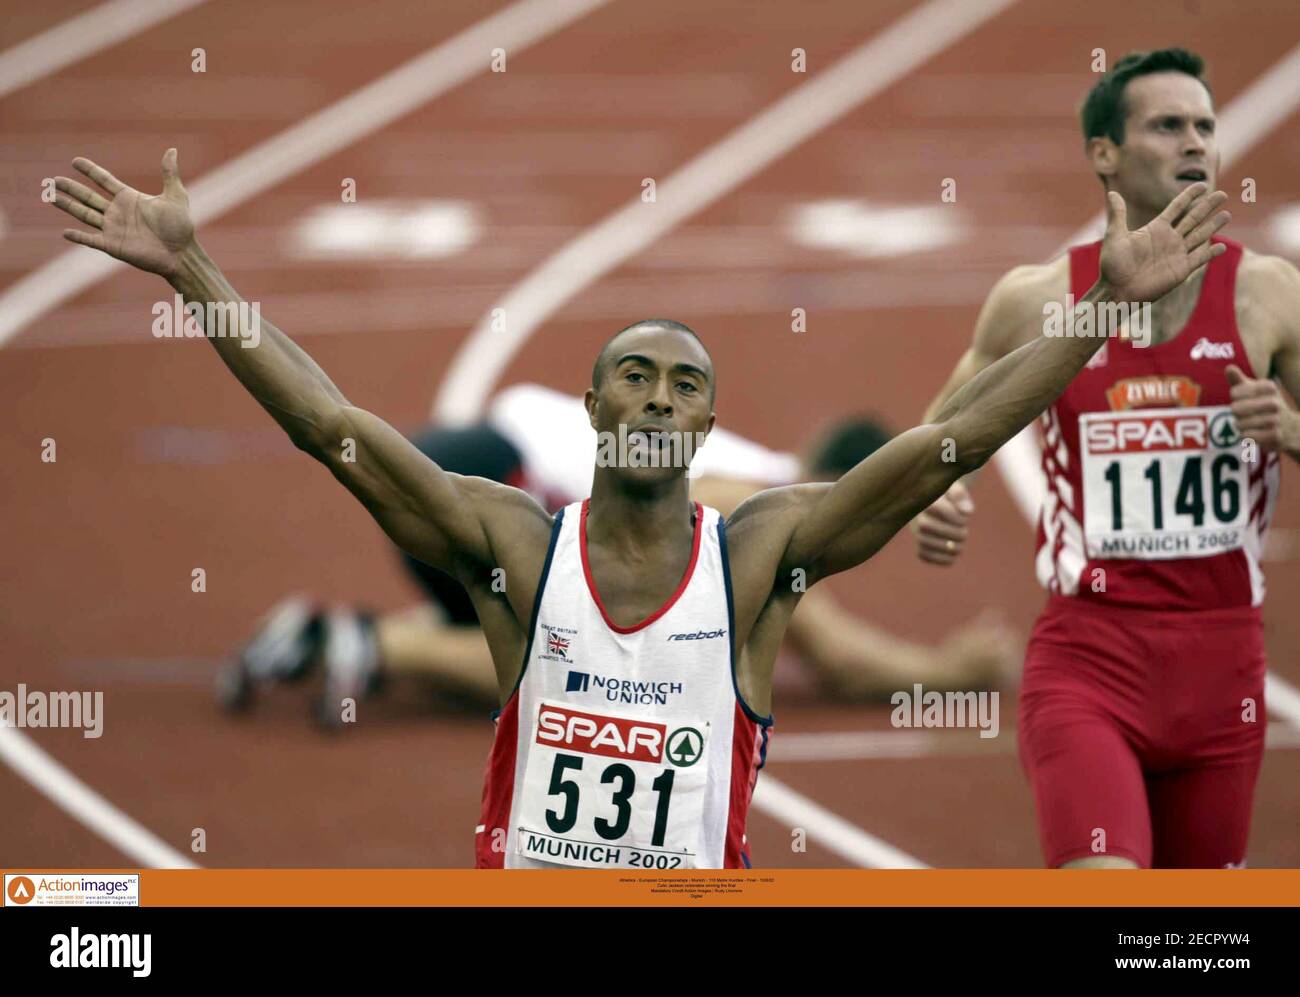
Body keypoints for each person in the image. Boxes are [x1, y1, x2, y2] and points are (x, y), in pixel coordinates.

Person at [51, 144, 1228, 868]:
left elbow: (944, 445)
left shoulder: (760, 551)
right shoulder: (512, 538)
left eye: (686, 386)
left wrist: (1091, 317)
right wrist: (191, 271)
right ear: (595, 409)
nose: (661, 398)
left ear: (705, 428)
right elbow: (333, 429)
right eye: (637, 377)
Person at [912, 48, 1299, 869]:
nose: (1196, 143)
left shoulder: (1269, 293)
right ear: (1104, 154)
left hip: (1224, 667)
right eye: (1168, 125)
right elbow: (941, 432)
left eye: (1205, 126)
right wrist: (942, 492)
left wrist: (1292, 430)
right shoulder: (1039, 299)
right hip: (1090, 661)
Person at [222, 386, 1016, 725]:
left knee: (609, 613)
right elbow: (839, 658)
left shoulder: (760, 472)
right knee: (590, 676)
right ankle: (382, 647)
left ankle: (326, 634)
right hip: (493, 481)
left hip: (471, 458)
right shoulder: (764, 505)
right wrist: (956, 672)